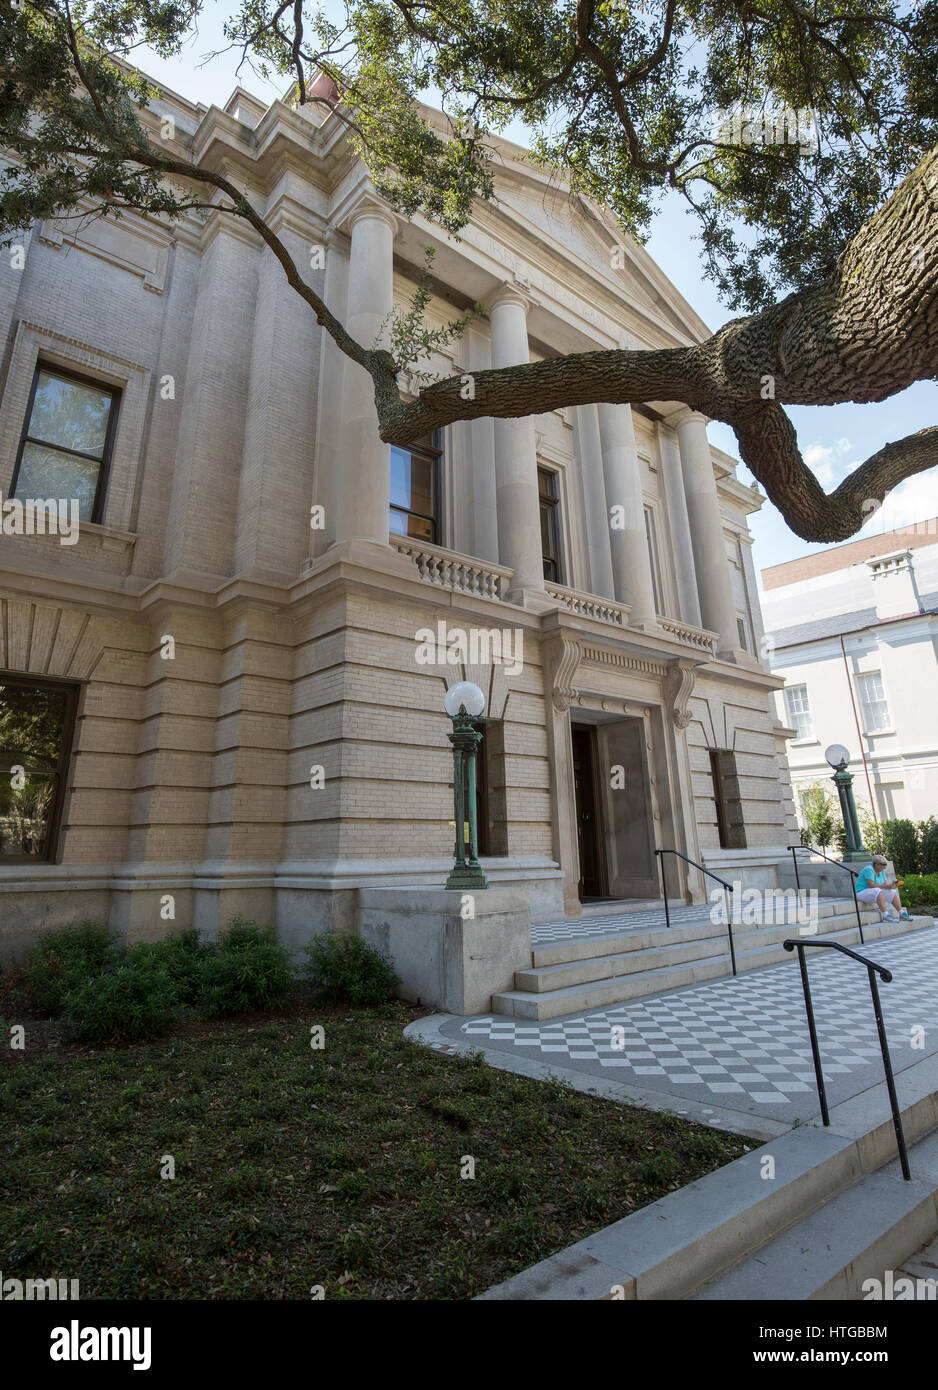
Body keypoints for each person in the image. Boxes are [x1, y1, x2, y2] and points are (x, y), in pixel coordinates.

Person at [855, 854, 911, 923]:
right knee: (878, 890)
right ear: (876, 864)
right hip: (861, 892)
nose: (884, 867)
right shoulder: (869, 870)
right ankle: (885, 915)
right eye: (883, 865)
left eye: (885, 865)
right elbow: (871, 885)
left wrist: (890, 886)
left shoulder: (881, 871)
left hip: (872, 892)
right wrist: (886, 887)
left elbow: (885, 884)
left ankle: (901, 913)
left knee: (892, 892)